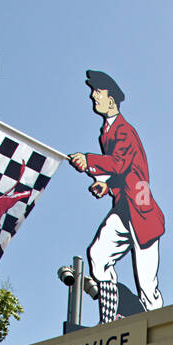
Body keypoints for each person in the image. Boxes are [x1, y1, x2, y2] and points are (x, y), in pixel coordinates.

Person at [68, 70, 166, 323]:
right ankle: (112, 316)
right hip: (124, 208)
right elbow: (123, 171)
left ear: (111, 99)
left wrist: (88, 161)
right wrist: (104, 184)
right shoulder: (107, 131)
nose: (92, 97)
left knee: (147, 285)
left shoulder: (123, 130)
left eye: (97, 92)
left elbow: (121, 163)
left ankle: (159, 328)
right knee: (98, 255)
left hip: (142, 212)